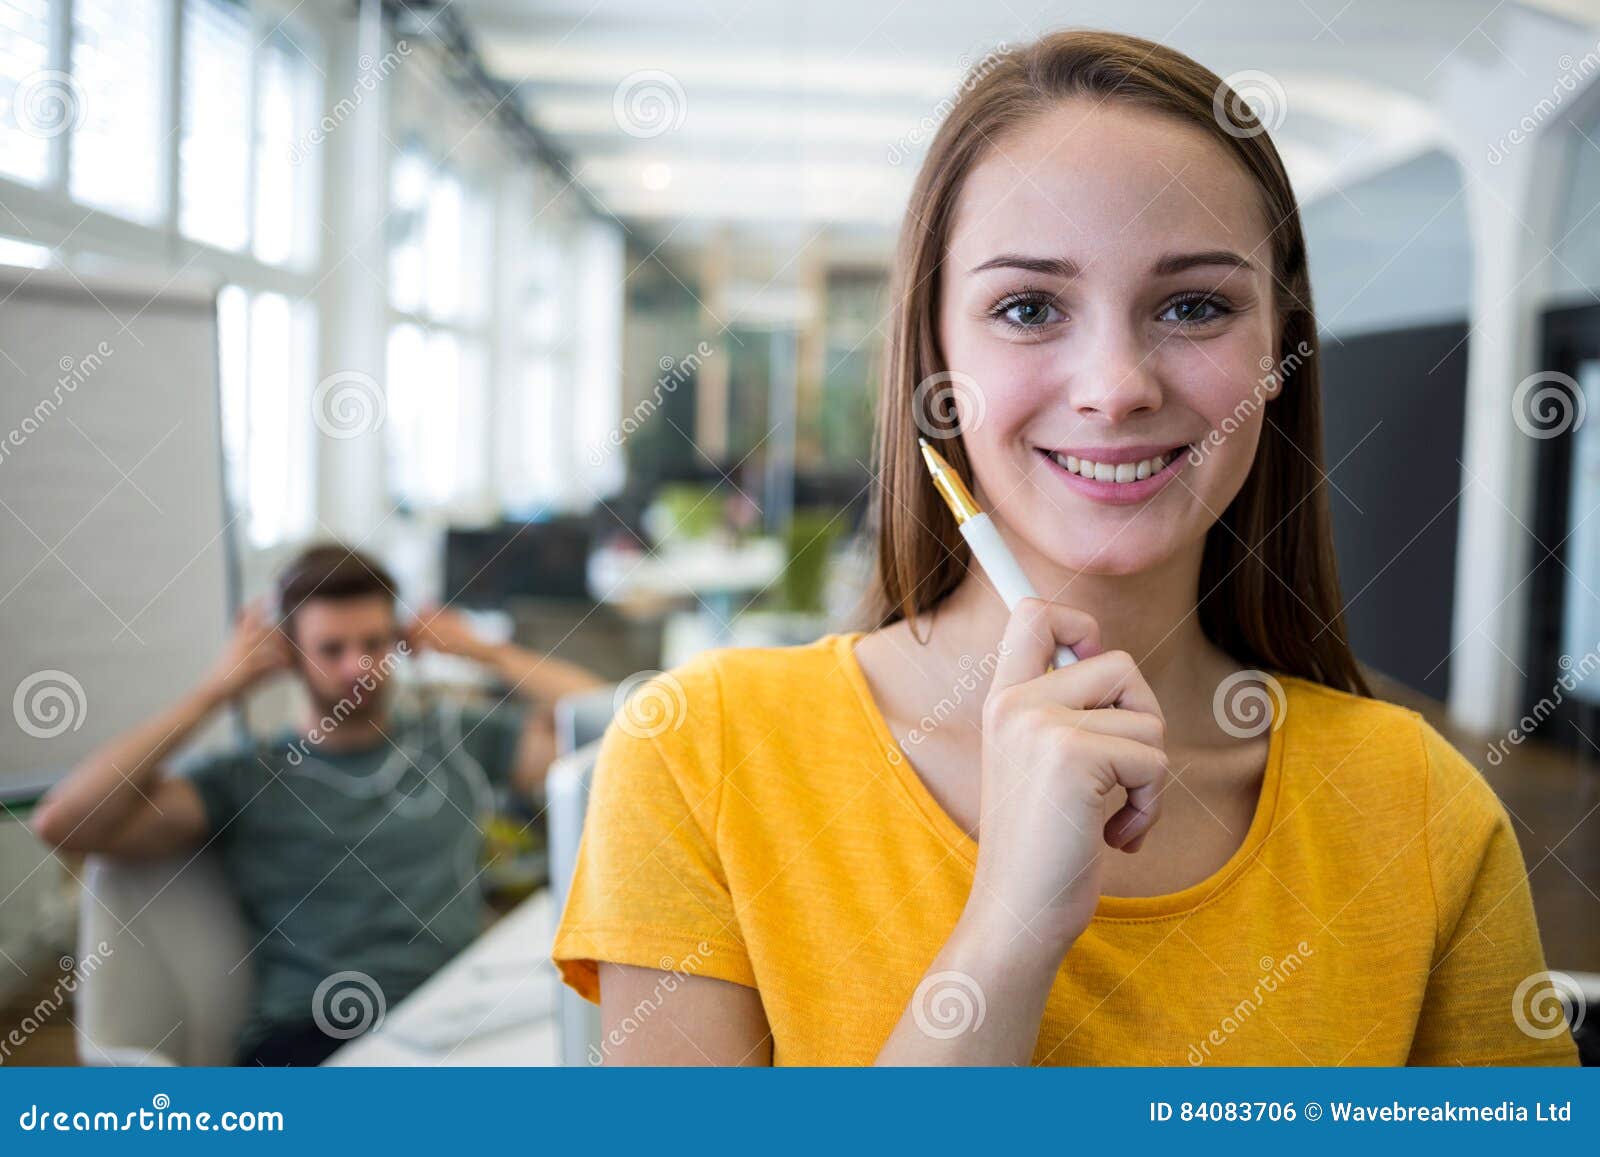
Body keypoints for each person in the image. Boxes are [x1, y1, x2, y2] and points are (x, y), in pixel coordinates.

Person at [551, 29, 1580, 1066]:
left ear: (1278, 350)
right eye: (1029, 307)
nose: (1117, 386)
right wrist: (1007, 928)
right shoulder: (701, 755)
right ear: (935, 355)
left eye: (1194, 305)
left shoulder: (1420, 804)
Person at [32, 544, 603, 1065]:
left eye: (374, 644)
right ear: (289, 654)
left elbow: (622, 732)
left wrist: (487, 653)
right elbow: (64, 821)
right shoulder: (248, 777)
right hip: (310, 1044)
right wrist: (217, 690)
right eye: (332, 649)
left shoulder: (455, 736)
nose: (358, 667)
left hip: (454, 1019)